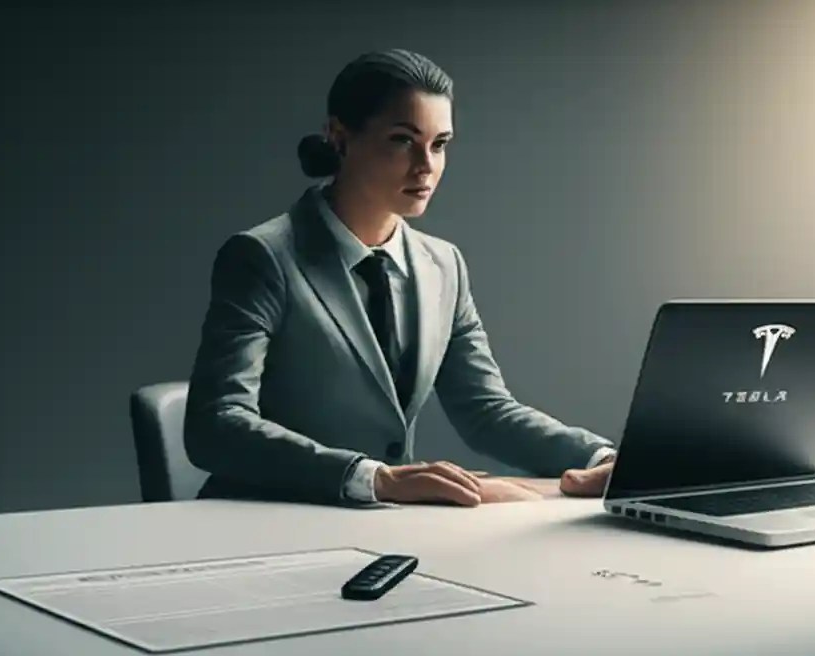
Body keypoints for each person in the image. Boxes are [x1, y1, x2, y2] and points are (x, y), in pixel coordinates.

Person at [184, 49, 615, 508]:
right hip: (265, 522)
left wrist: (600, 456)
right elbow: (216, 424)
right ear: (339, 136)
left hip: (387, 524)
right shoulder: (264, 257)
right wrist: (374, 478)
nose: (425, 165)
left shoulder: (443, 264)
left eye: (439, 144)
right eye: (402, 141)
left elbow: (485, 410)